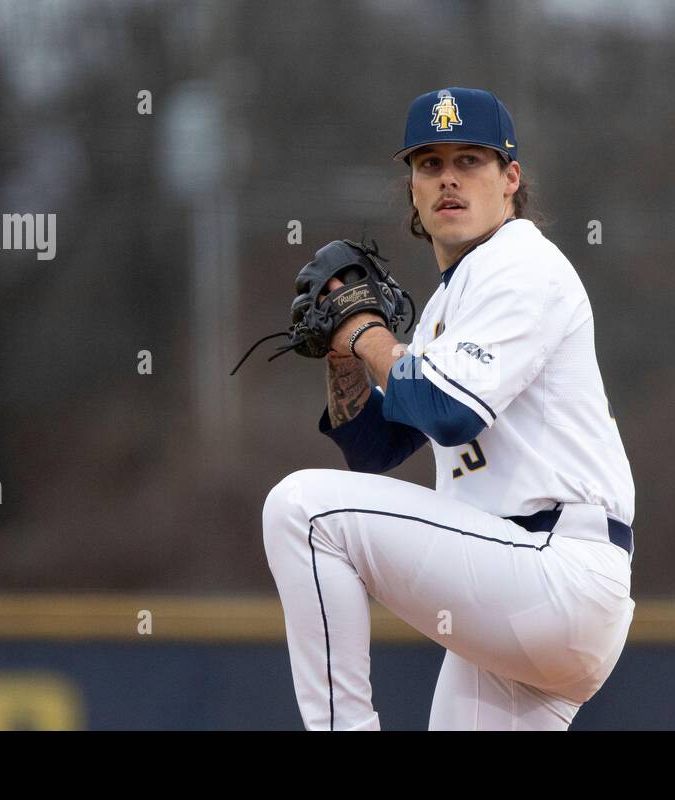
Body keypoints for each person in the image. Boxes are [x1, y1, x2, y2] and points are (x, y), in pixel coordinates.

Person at [262, 87, 635, 730]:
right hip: (520, 598)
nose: (449, 179)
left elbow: (447, 411)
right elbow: (376, 448)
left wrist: (364, 332)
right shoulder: (449, 305)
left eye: (470, 160)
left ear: (510, 178)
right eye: (430, 164)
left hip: (553, 568)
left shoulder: (521, 264)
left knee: (303, 510)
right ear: (411, 188)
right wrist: (342, 350)